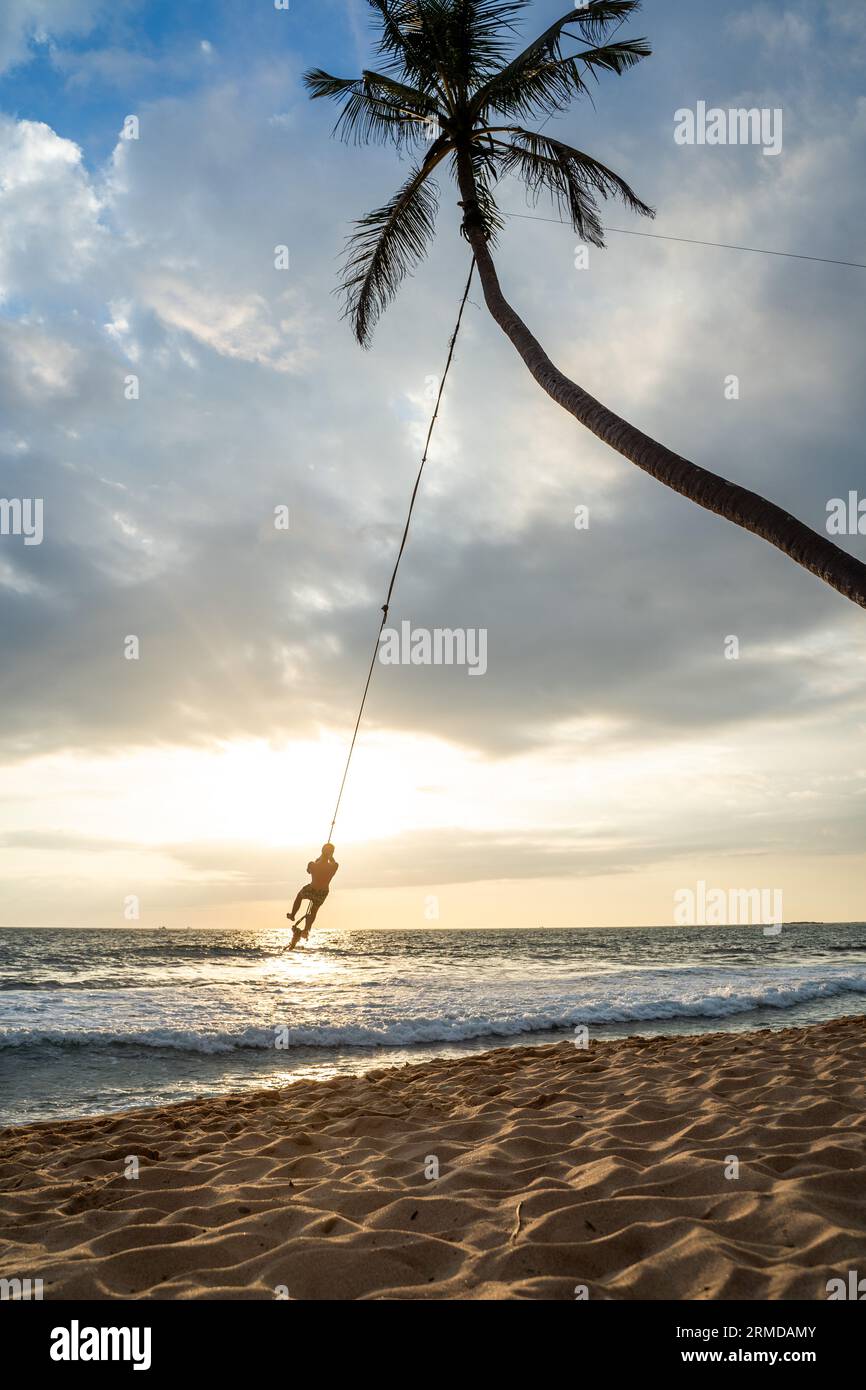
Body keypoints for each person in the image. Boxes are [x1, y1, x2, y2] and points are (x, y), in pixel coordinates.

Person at [287, 843, 339, 937]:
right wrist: (330, 856)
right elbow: (332, 861)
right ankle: (306, 930)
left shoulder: (312, 864)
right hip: (323, 892)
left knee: (299, 896)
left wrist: (317, 860)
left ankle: (293, 915)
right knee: (313, 911)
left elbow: (308, 871)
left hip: (311, 889)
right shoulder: (334, 866)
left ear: (322, 851)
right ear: (332, 853)